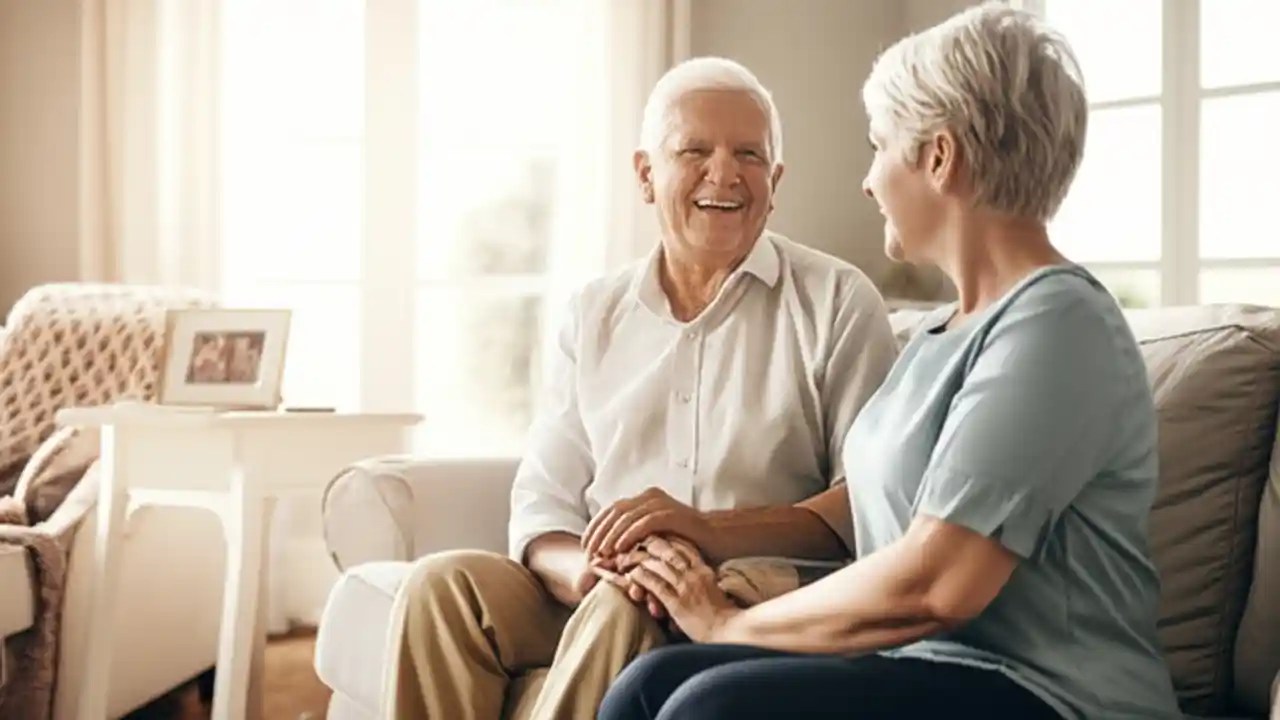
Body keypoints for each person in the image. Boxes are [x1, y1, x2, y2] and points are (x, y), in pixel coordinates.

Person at [598, 5, 1182, 719]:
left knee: (712, 708)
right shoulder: (938, 337)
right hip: (925, 670)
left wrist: (729, 624)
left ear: (939, 158)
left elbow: (937, 584)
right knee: (649, 684)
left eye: (879, 147)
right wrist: (715, 567)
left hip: (1052, 695)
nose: (868, 181)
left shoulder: (1059, 325)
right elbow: (871, 541)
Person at [387, 56, 899, 720]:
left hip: (751, 585)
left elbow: (870, 506)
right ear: (645, 175)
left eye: (749, 154)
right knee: (440, 588)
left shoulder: (837, 301)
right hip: (600, 583)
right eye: (695, 150)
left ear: (775, 181)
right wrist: (585, 572)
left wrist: (701, 539)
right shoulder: (593, 313)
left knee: (628, 601)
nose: (725, 173)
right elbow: (545, 498)